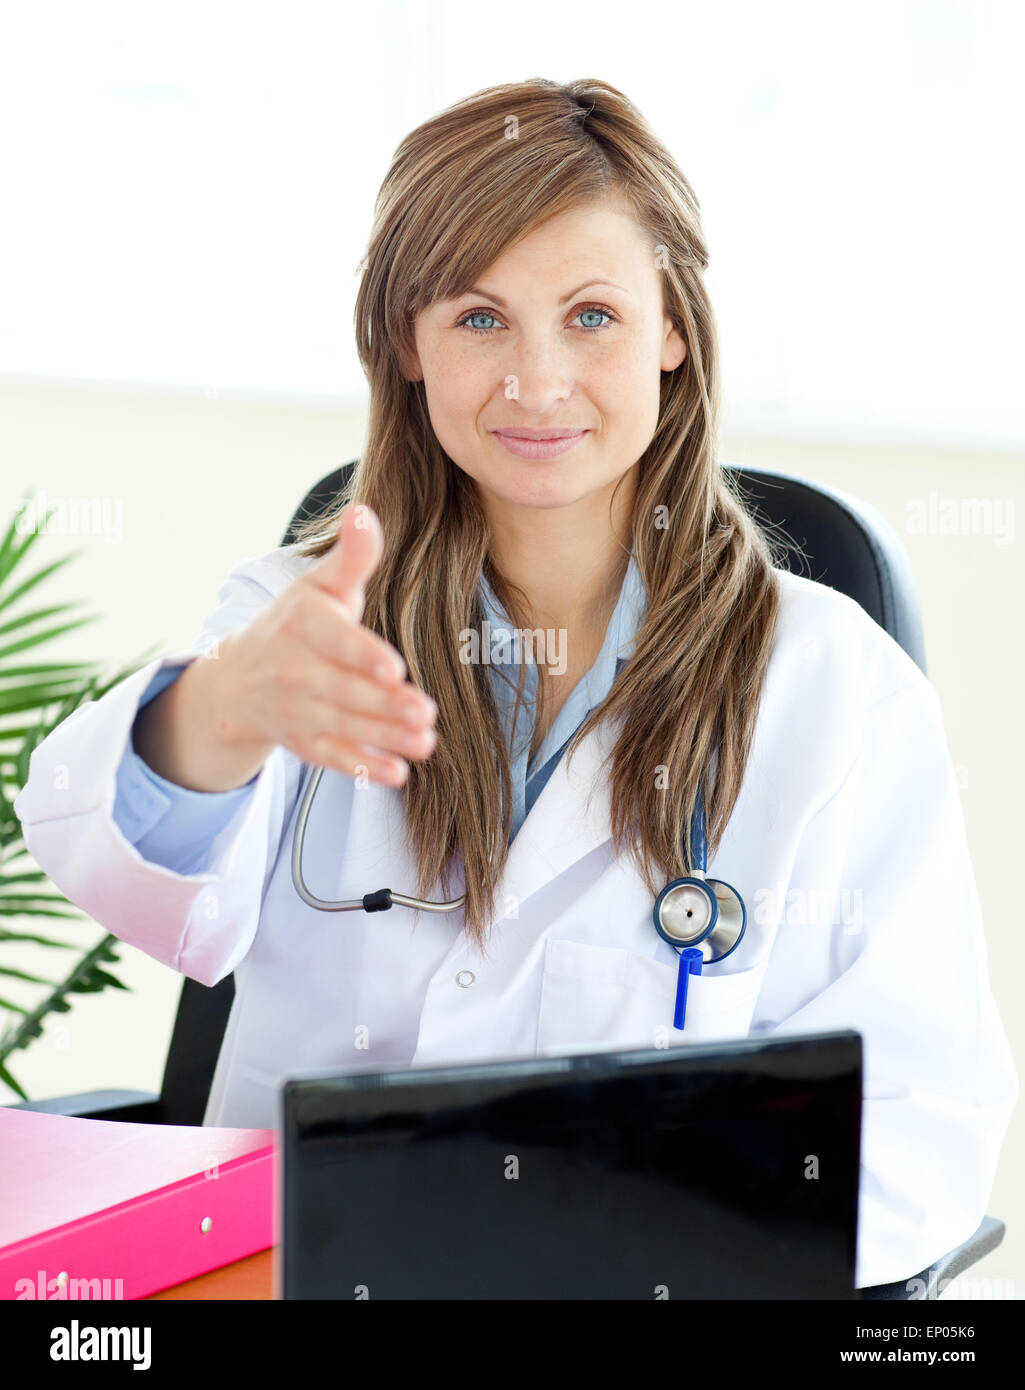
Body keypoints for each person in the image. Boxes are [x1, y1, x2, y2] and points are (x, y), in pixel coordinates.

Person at [14, 77, 1016, 1292]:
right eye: (478, 319)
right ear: (406, 342)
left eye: (590, 316)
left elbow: (916, 1131)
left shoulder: (833, 685)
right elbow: (134, 883)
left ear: (672, 332)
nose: (535, 382)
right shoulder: (300, 625)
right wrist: (221, 710)